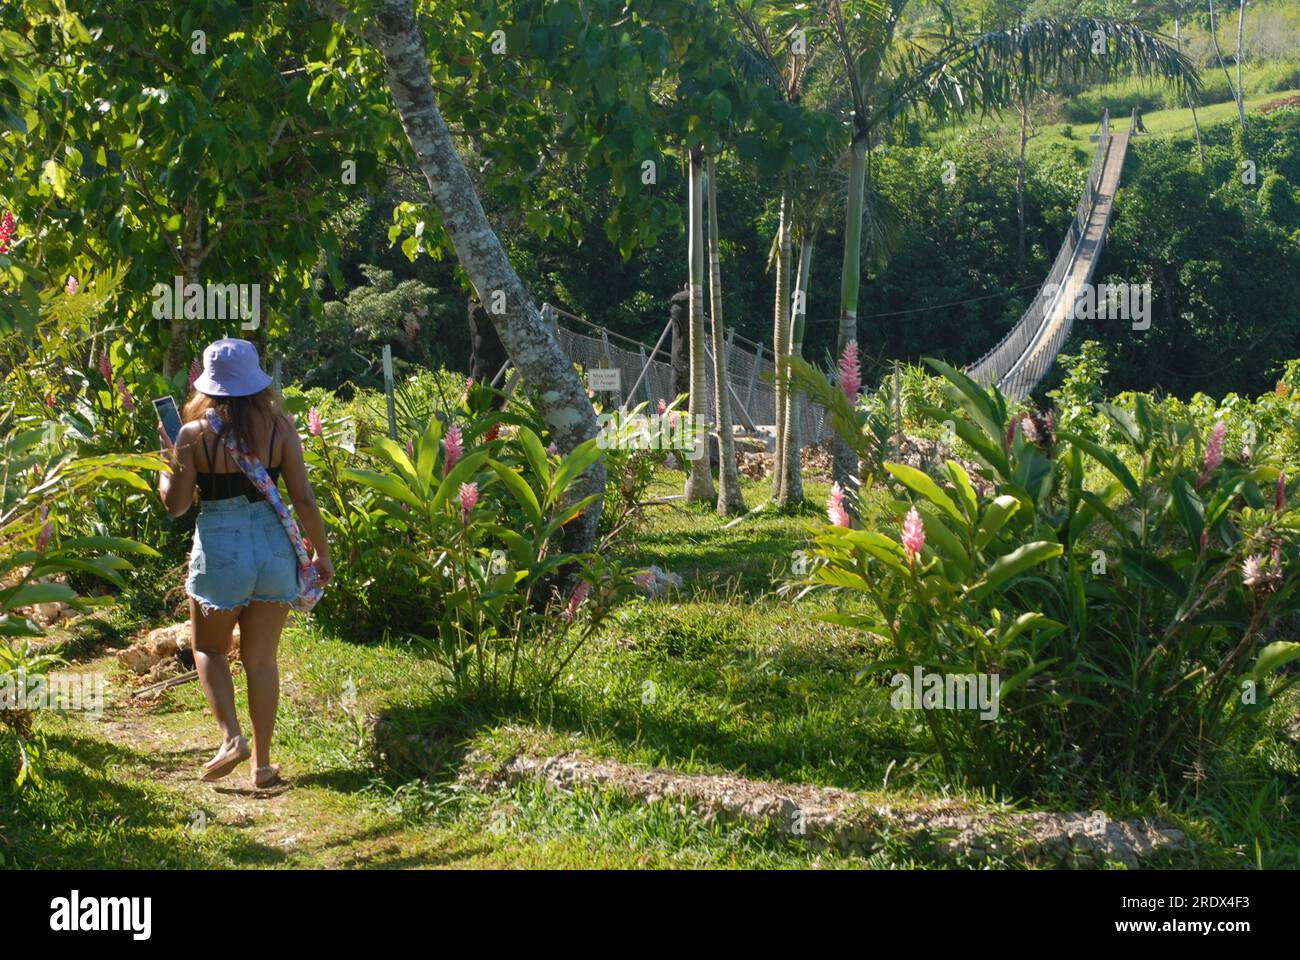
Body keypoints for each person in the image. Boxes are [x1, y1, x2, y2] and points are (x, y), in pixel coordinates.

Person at [157, 338, 334, 789]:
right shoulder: (280, 427)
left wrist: (166, 459)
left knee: (209, 650)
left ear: (208, 386)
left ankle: (231, 737)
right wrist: (321, 553)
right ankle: (262, 765)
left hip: (223, 546)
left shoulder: (192, 434)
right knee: (261, 661)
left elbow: (175, 505)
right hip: (274, 545)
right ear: (257, 382)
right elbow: (303, 499)